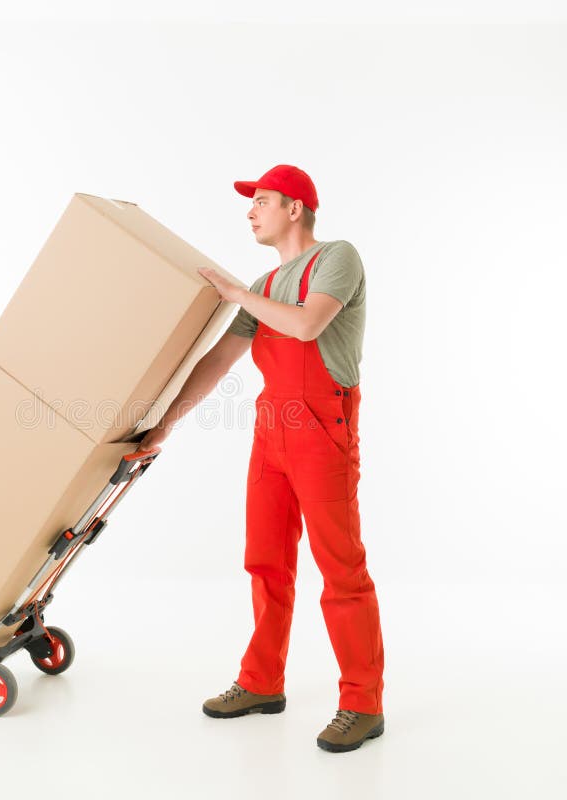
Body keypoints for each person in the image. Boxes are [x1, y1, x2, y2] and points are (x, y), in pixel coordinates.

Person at [139, 164, 385, 753]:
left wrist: (237, 294)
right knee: (266, 562)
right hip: (272, 428)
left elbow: (307, 325)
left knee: (341, 569)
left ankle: (362, 703)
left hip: (323, 427)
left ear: (295, 208)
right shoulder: (264, 282)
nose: (251, 212)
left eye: (262, 201)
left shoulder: (337, 258)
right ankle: (261, 683)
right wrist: (163, 424)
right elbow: (219, 362)